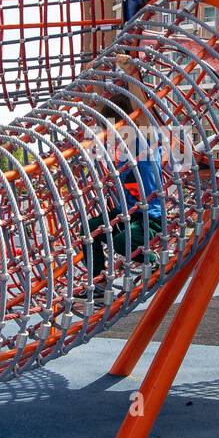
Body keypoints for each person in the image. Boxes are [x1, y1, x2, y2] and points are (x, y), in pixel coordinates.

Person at [87, 94, 166, 301]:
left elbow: (141, 109)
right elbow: (103, 107)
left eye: (116, 130)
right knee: (90, 228)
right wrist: (99, 82)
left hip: (150, 218)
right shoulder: (120, 150)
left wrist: (129, 73)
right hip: (126, 213)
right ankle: (99, 284)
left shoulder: (145, 143)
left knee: (123, 241)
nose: (112, 137)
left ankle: (153, 260)